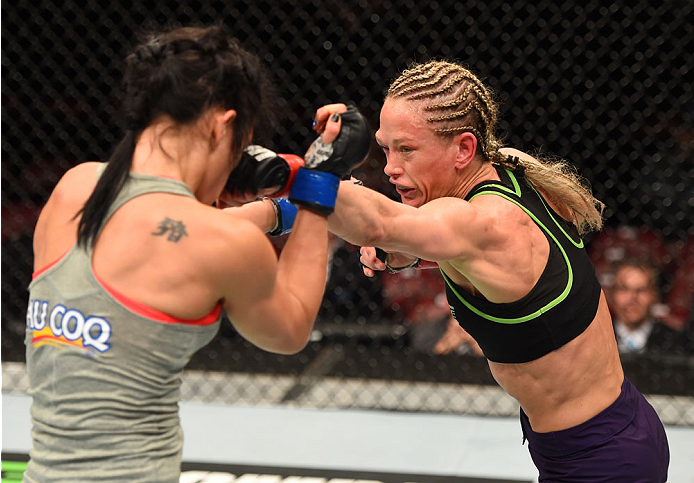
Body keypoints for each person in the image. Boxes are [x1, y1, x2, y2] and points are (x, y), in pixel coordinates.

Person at [24, 25, 368, 482]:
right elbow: (290, 328)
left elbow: (162, 240)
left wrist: (272, 213)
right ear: (221, 125)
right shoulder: (221, 246)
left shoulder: (76, 188)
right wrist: (318, 190)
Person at [314, 60, 670, 482]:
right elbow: (501, 262)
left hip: (602, 460)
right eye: (385, 147)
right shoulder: (511, 168)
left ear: (464, 148)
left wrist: (312, 171)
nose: (390, 167)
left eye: (406, 149)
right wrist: (410, 253)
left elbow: (378, 223)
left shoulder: (480, 222)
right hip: (612, 434)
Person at [610, 259, 691, 355]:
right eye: (624, 289)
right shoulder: (596, 337)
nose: (632, 298)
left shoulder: (676, 341)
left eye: (641, 290)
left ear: (654, 296)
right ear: (613, 294)